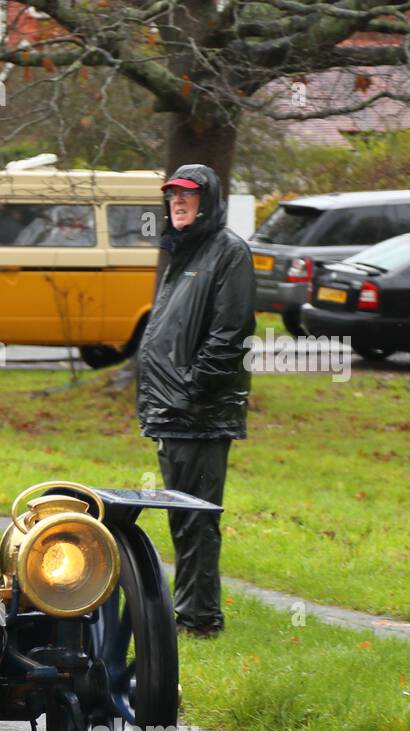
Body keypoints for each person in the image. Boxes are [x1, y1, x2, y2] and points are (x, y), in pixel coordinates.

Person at [135, 163, 254, 638]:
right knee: (184, 521)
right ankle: (192, 612)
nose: (178, 203)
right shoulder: (182, 252)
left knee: (197, 521)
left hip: (198, 416)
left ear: (209, 200)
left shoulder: (228, 252)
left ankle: (200, 620)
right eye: (172, 196)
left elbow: (230, 336)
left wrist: (188, 392)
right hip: (173, 413)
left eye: (188, 195)